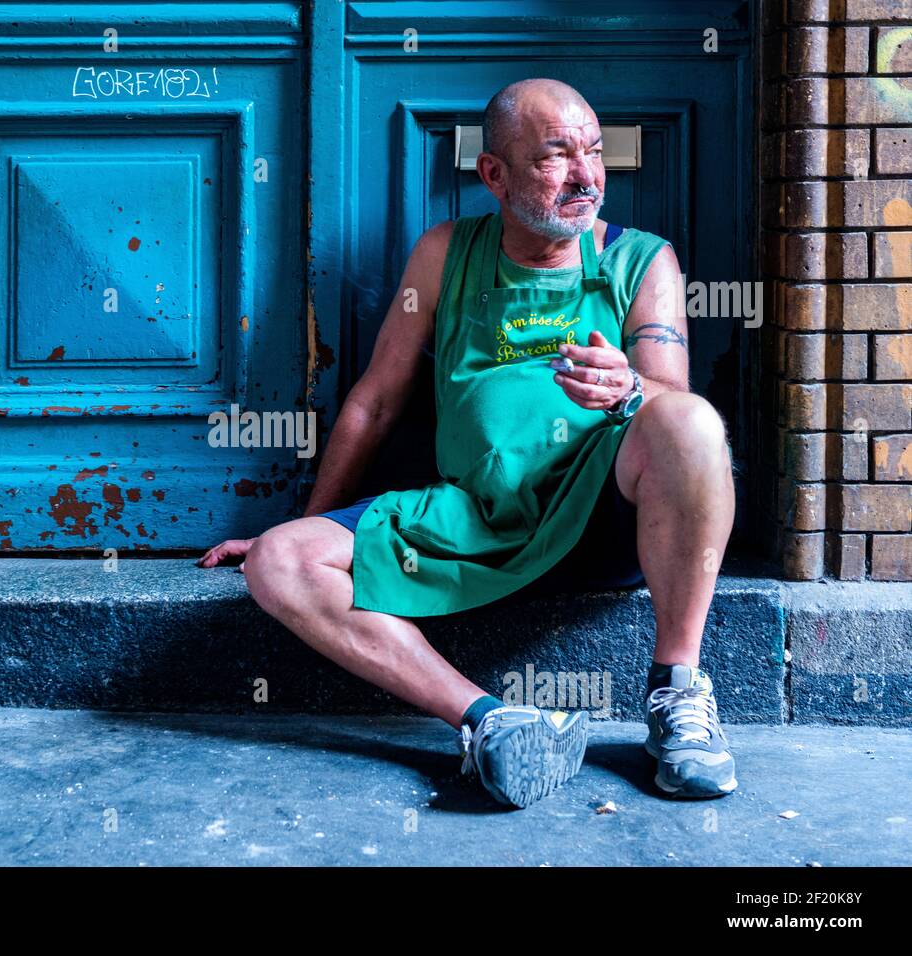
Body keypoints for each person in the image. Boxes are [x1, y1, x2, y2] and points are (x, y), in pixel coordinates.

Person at [198, 78, 737, 808]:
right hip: (471, 520)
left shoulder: (642, 260)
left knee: (692, 421)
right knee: (279, 562)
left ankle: (677, 694)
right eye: (556, 156)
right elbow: (376, 400)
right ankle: (496, 723)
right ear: (494, 175)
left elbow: (673, 405)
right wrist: (305, 519)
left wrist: (634, 391)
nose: (586, 176)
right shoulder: (446, 253)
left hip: (599, 516)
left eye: (594, 152)